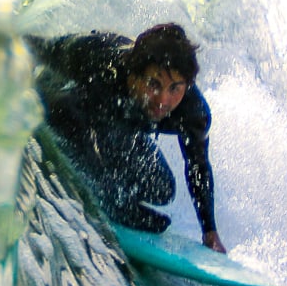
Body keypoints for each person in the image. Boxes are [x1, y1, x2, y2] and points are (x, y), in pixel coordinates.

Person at [29, 23, 226, 252]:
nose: (163, 100)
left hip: (116, 127)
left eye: (175, 88)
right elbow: (40, 49)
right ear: (134, 74)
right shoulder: (101, 64)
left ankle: (115, 199)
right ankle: (111, 201)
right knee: (67, 112)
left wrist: (209, 232)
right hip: (60, 96)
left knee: (161, 190)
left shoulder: (193, 112)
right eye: (154, 84)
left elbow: (198, 167)